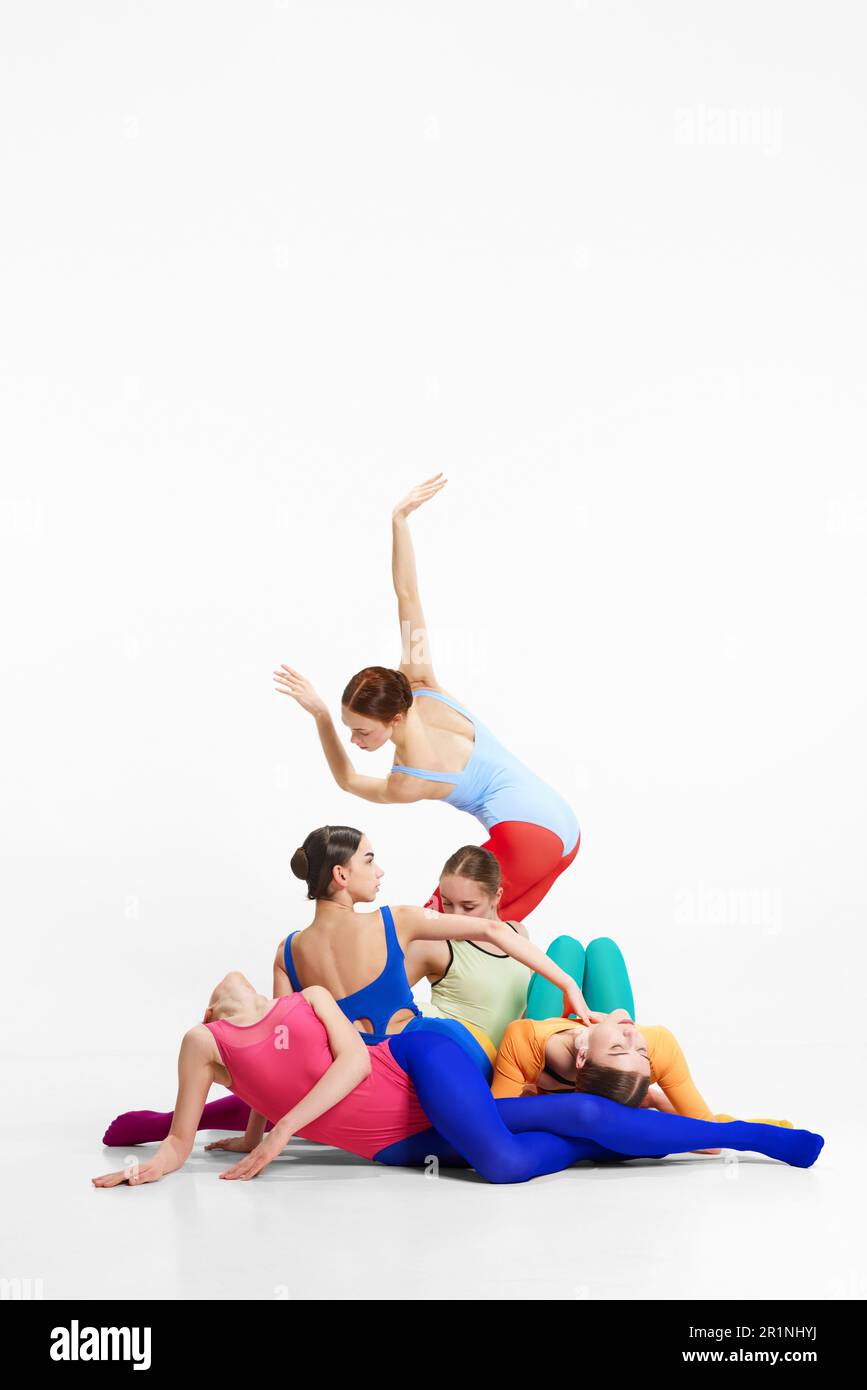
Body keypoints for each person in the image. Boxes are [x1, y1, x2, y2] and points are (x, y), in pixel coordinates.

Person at [101, 826, 591, 1147]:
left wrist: (259, 1132)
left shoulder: (288, 950)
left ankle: (171, 1122)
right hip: (405, 1072)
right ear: (341, 874)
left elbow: (274, 1051)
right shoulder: (394, 921)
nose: (380, 871)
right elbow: (491, 929)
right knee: (503, 1117)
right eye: (371, 860)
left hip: (340, 1078)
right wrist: (568, 983)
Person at [92, 979, 824, 1192]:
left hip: (417, 1060)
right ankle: (589, 1138)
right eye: (226, 992)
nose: (236, 983)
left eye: (243, 983)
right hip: (395, 1139)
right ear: (213, 1013)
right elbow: (184, 1135)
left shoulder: (305, 997)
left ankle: (748, 1136)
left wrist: (274, 1133)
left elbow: (344, 1069)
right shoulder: (206, 1048)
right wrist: (150, 1146)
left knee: (501, 1162)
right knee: (527, 1137)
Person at [273, 473, 580, 921]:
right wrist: (399, 520)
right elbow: (407, 595)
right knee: (485, 936)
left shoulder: (408, 778)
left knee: (425, 930)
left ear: (394, 718)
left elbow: (347, 781)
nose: (356, 742)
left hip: (528, 839)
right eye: (348, 730)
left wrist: (319, 714)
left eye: (361, 731)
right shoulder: (420, 682)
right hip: (563, 828)